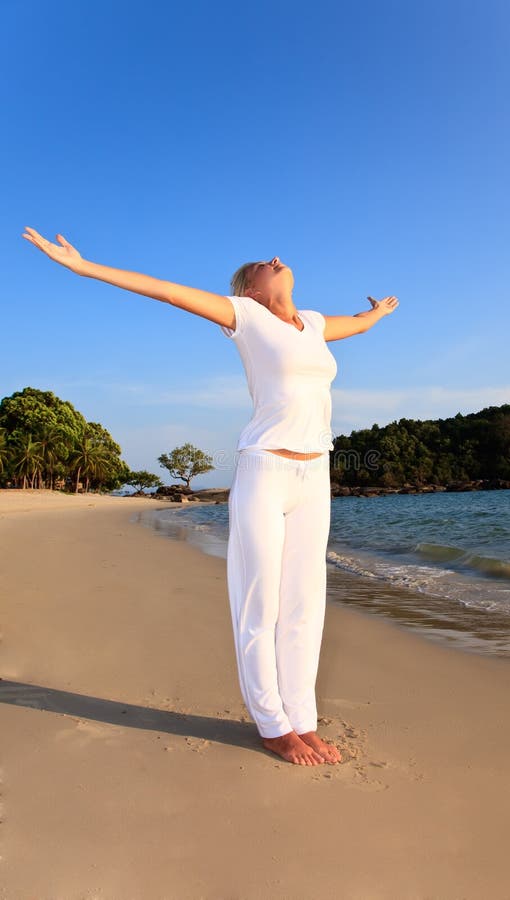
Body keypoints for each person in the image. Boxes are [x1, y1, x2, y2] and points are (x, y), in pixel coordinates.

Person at [21, 227, 399, 766]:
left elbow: (356, 325)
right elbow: (166, 291)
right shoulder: (245, 318)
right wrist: (85, 268)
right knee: (260, 602)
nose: (275, 257)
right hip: (265, 470)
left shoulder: (312, 323)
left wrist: (378, 314)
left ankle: (303, 720)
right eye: (263, 264)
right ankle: (273, 725)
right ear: (249, 290)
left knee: (305, 605)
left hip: (316, 475)